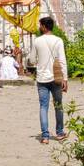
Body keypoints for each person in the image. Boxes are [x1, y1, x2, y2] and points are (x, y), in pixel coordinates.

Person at [33, 15, 68, 145]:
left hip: (42, 78)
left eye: (40, 25)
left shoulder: (37, 41)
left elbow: (31, 59)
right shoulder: (59, 40)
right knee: (58, 105)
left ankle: (45, 136)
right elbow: (63, 60)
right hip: (56, 77)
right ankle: (59, 133)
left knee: (43, 106)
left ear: (43, 26)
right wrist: (65, 78)